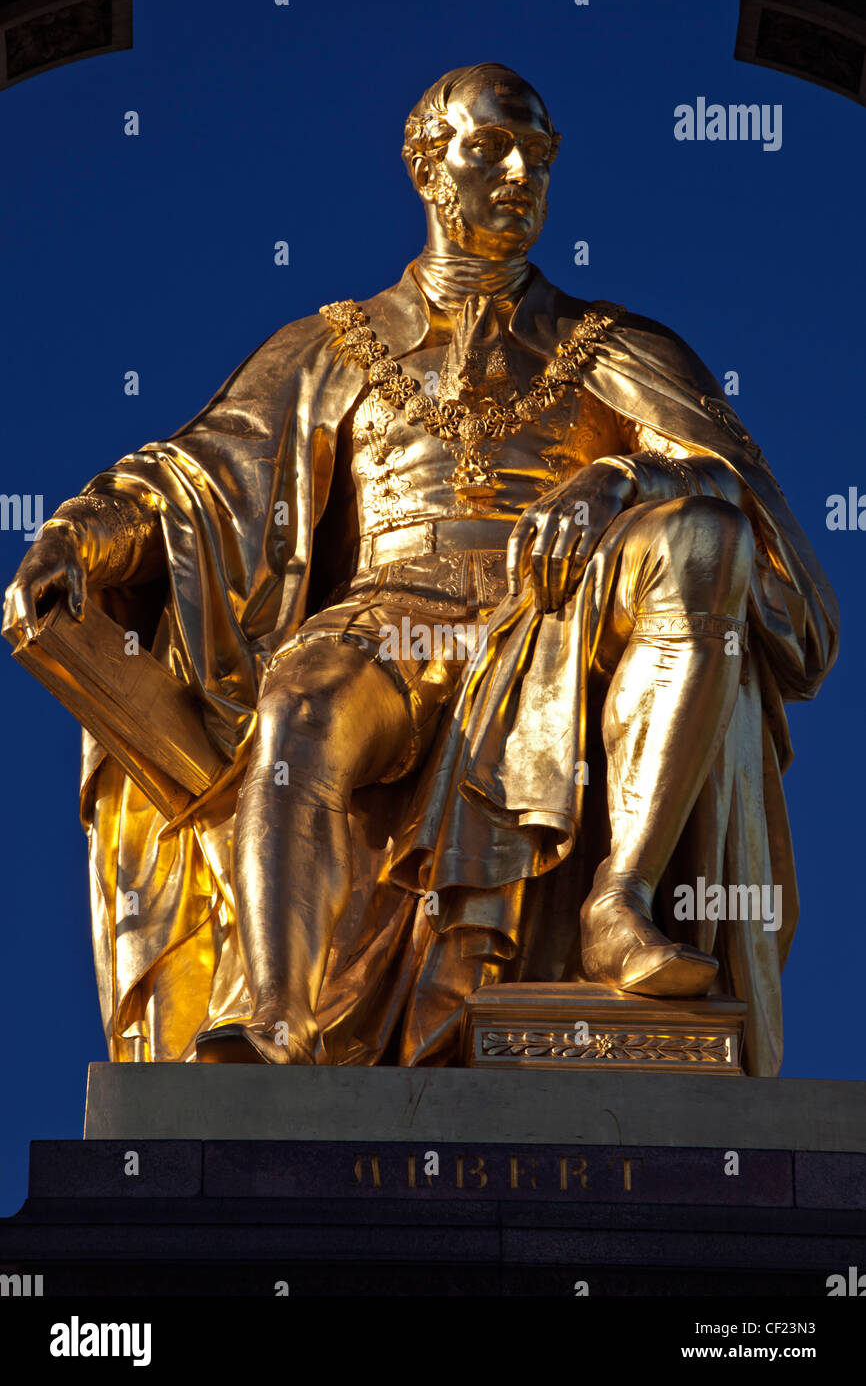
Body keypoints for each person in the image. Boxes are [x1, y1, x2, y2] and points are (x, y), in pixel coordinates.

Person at [3, 63, 838, 1074]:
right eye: (489, 149)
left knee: (704, 539)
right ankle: (274, 1012)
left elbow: (735, 490)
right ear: (423, 168)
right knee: (301, 705)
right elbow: (194, 477)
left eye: (537, 153)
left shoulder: (615, 345)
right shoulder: (330, 343)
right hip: (382, 624)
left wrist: (621, 476)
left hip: (557, 621)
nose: (520, 171)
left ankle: (617, 901)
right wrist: (76, 538)